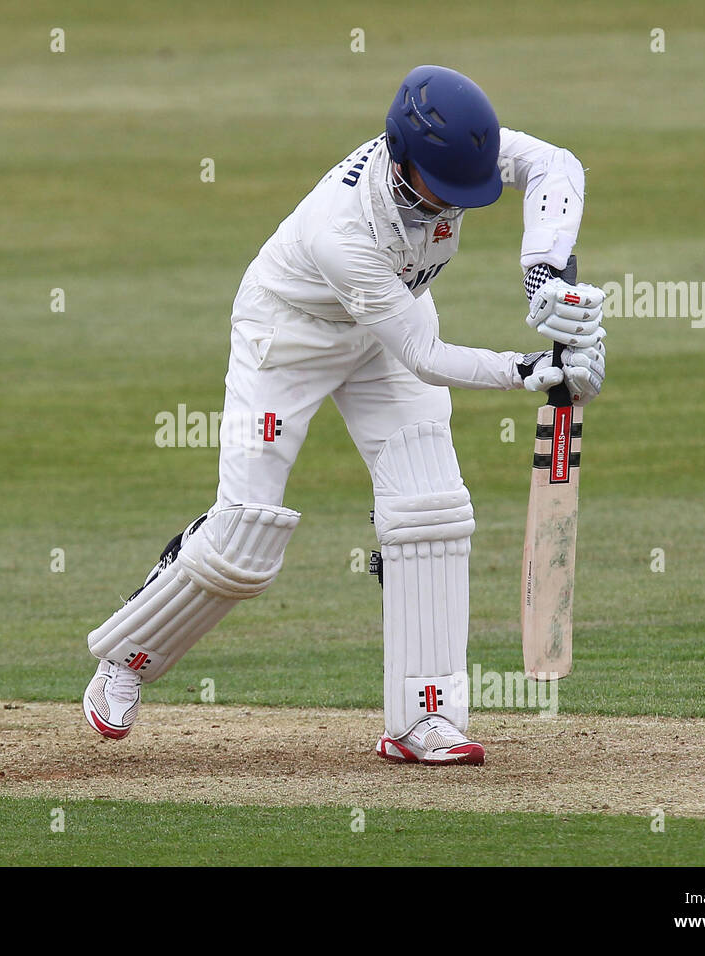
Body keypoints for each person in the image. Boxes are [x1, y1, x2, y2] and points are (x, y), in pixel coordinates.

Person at [83, 65, 606, 765]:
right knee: (244, 542)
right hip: (288, 337)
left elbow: (556, 165)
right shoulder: (344, 226)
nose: (455, 207)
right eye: (444, 191)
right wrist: (529, 369)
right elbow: (422, 354)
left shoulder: (453, 151)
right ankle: (125, 658)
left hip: (382, 328)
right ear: (402, 159)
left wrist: (546, 275)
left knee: (431, 510)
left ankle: (425, 720)